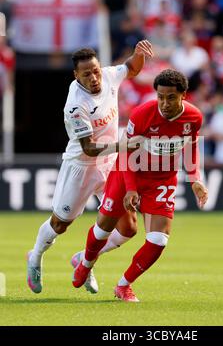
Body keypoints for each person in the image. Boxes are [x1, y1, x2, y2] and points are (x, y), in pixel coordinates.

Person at [27, 40, 154, 294]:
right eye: (87, 74)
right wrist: (123, 146)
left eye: (95, 71)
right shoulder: (76, 105)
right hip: (82, 167)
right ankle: (35, 256)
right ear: (76, 76)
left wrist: (139, 54)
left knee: (128, 228)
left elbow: (132, 68)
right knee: (60, 224)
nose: (94, 77)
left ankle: (84, 259)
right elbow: (89, 148)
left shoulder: (107, 75)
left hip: (110, 165)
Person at [72, 69, 208, 302]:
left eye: (171, 98)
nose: (164, 103)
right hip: (128, 173)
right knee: (104, 228)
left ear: (183, 96)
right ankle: (85, 262)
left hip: (162, 179)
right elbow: (126, 152)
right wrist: (132, 188)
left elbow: (191, 145)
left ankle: (123, 285)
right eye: (160, 97)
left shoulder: (194, 117)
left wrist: (195, 179)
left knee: (159, 240)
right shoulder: (142, 114)